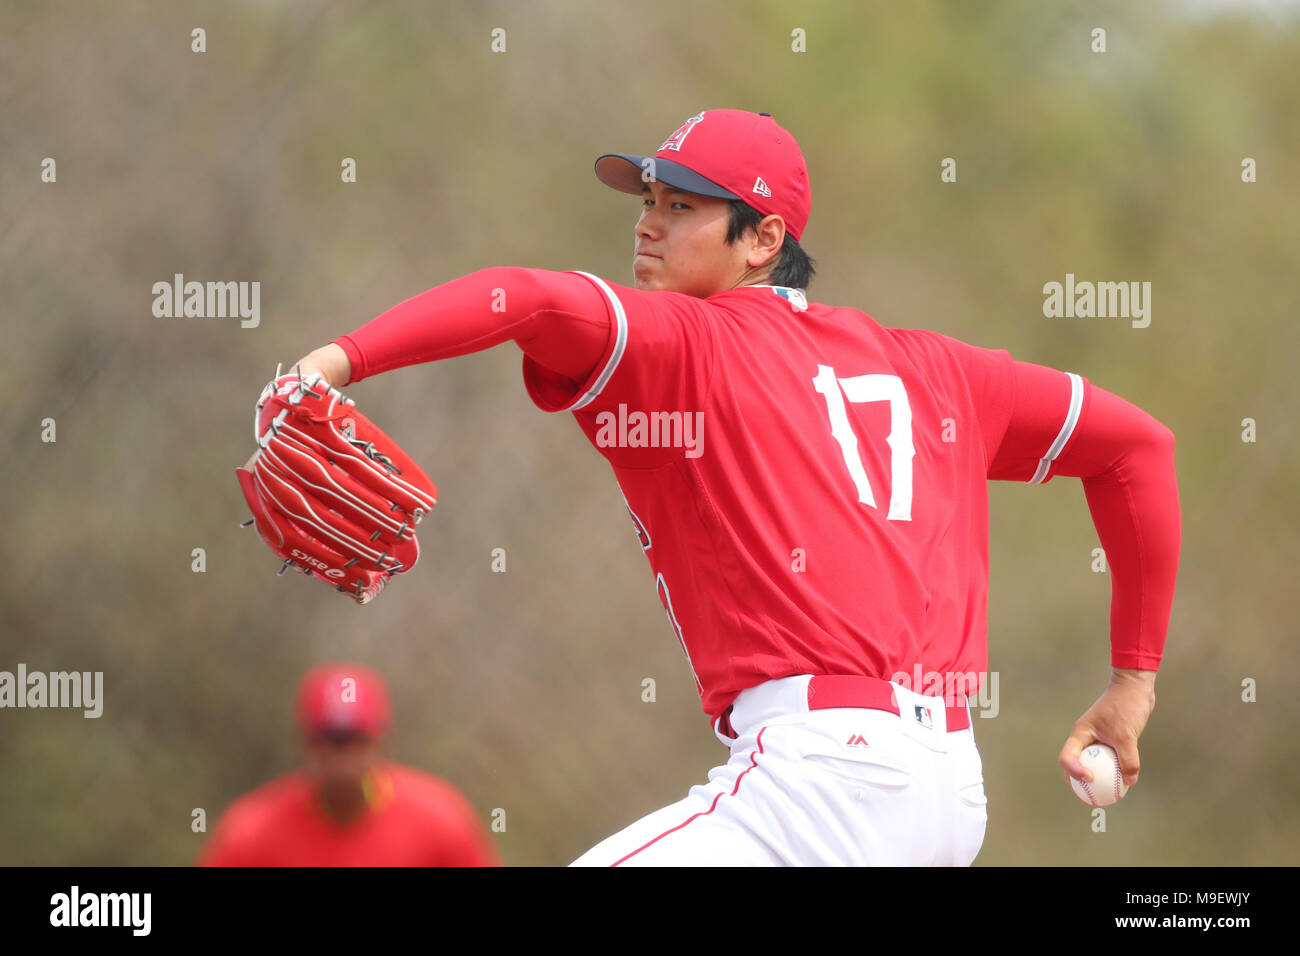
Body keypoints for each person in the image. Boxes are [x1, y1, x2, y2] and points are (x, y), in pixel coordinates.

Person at [280, 109, 1180, 865]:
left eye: (683, 207)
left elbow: (521, 297)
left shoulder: (688, 341)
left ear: (763, 240)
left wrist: (332, 361)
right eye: (648, 201)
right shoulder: (937, 370)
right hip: (947, 797)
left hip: (824, 776)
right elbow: (1138, 448)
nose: (647, 224)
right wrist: (1131, 685)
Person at [196, 662, 500, 866]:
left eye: (354, 739)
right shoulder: (253, 832)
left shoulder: (439, 821)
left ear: (382, 742)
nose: (341, 757)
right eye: (328, 739)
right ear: (303, 744)